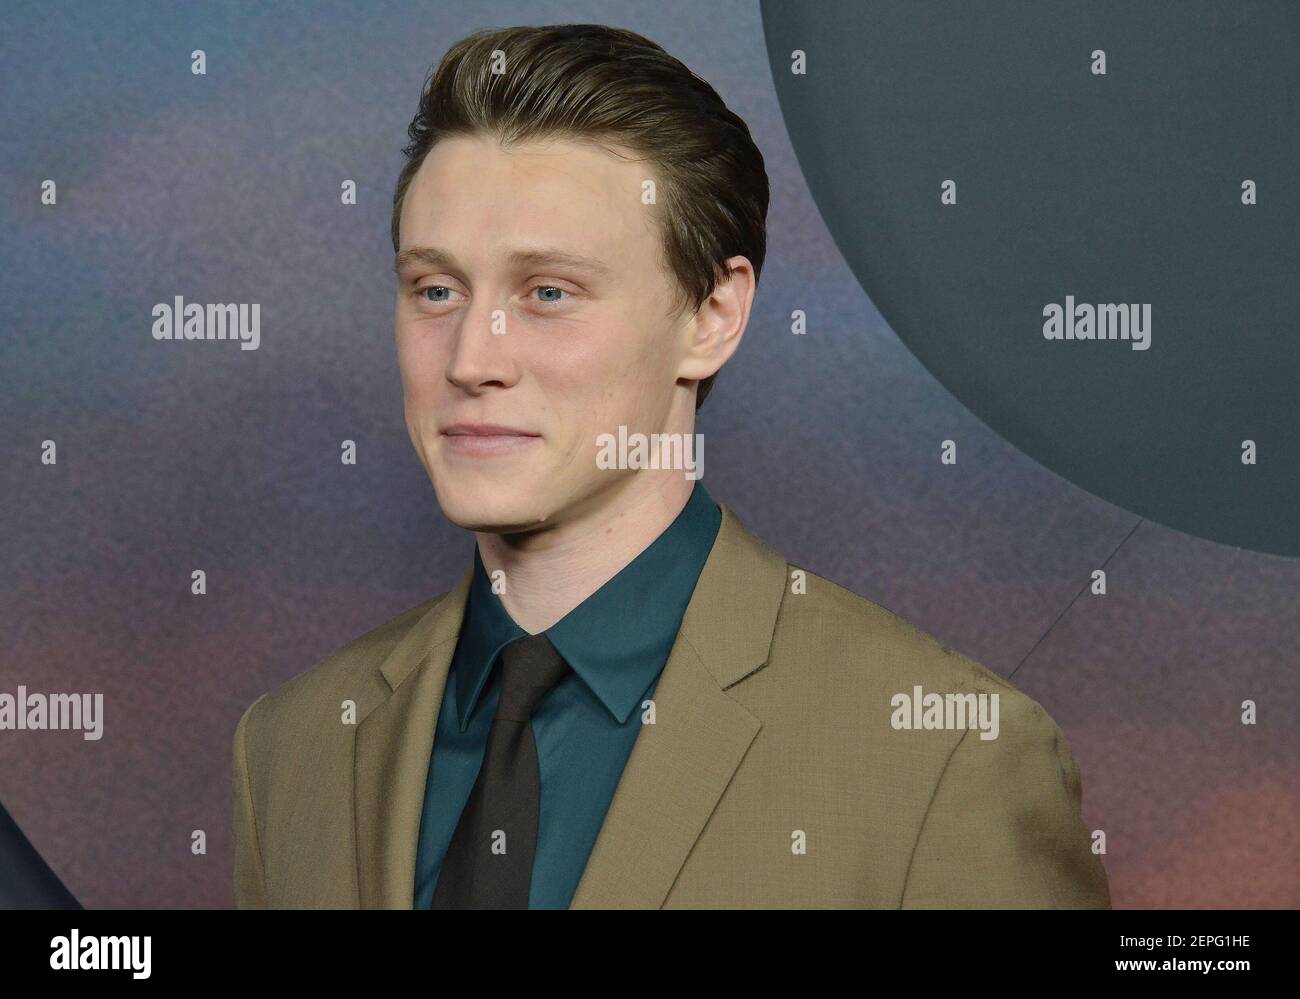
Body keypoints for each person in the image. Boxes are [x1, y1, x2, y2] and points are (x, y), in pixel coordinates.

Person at [232, 23, 1110, 909]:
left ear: (712, 316)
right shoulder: (290, 746)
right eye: (436, 290)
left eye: (547, 293)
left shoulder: (947, 758)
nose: (470, 358)